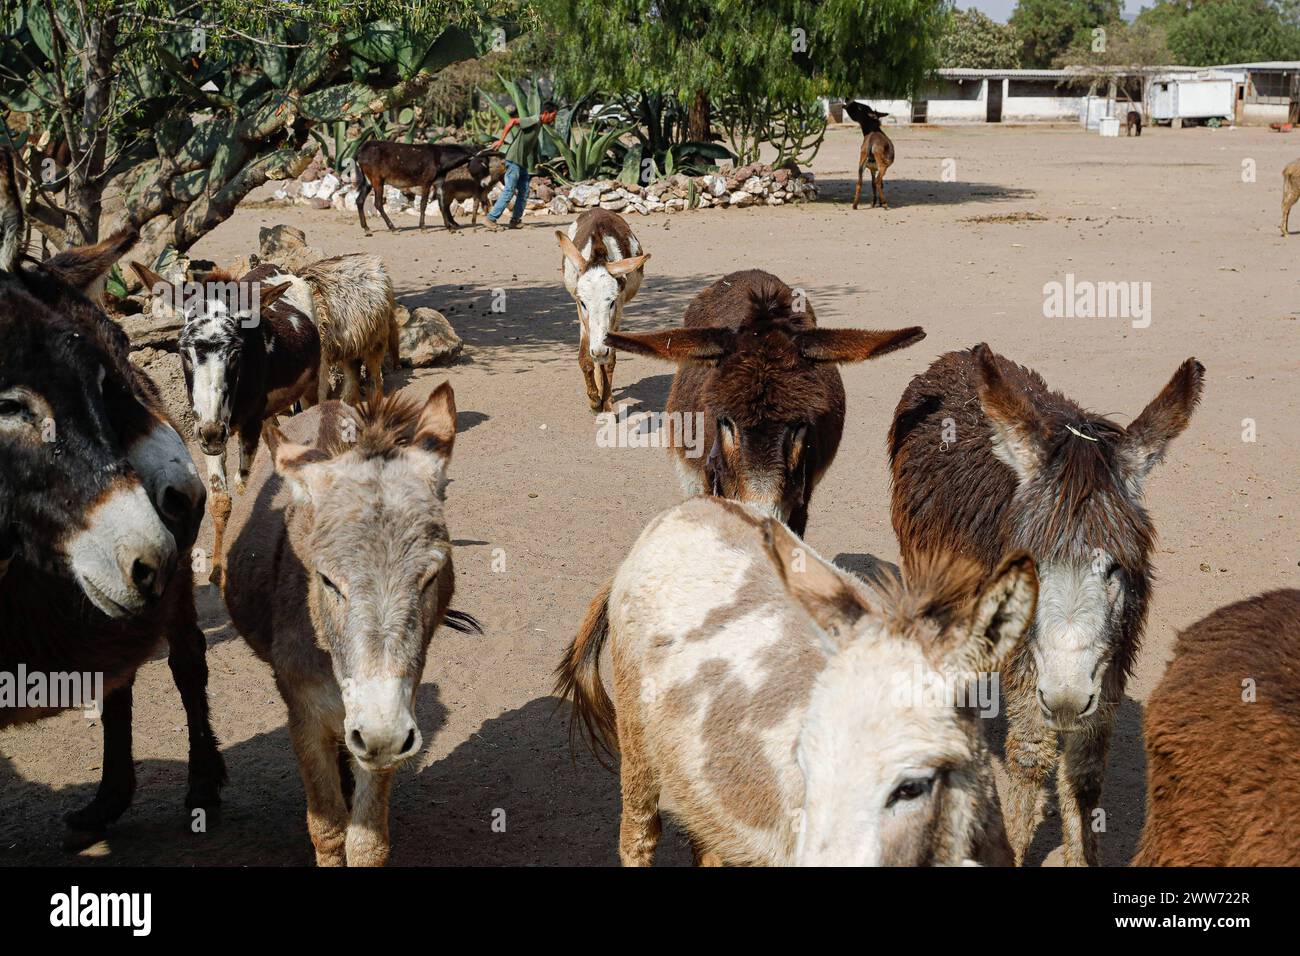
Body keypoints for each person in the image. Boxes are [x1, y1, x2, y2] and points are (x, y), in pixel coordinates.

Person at [485, 99, 558, 230]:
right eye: (553, 116)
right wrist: (501, 140)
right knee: (509, 190)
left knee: (524, 191)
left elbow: (533, 144)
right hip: (513, 160)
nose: (554, 119)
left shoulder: (539, 125)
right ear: (546, 113)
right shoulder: (534, 120)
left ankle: (515, 220)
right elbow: (512, 121)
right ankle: (491, 219)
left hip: (521, 162)